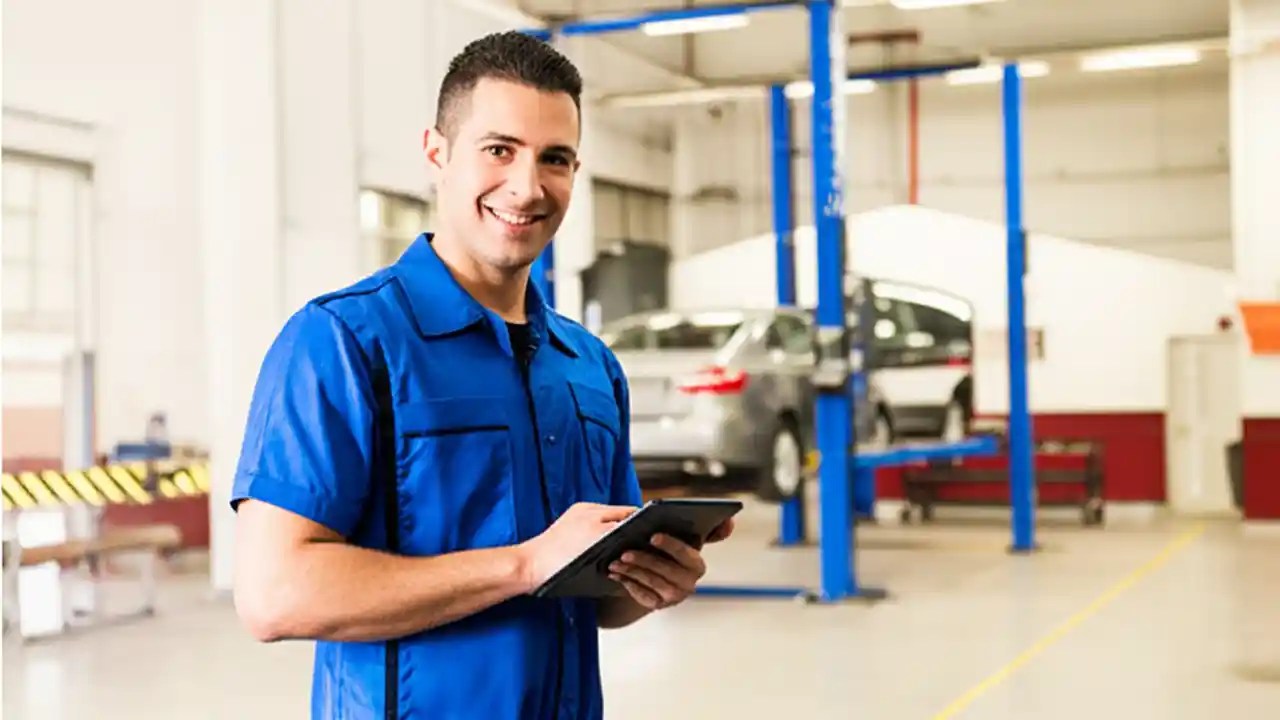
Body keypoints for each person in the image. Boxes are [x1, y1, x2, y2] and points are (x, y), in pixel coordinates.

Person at [229, 30, 734, 720]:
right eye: (499, 150)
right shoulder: (343, 342)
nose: (528, 187)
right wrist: (522, 563)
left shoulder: (588, 367)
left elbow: (592, 594)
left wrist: (652, 578)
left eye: (554, 159)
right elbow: (273, 595)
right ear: (437, 152)